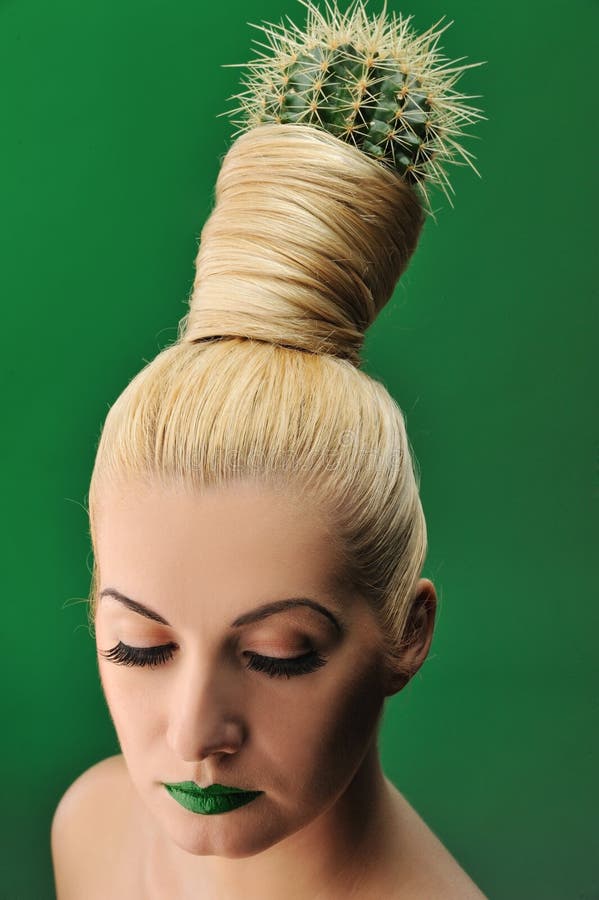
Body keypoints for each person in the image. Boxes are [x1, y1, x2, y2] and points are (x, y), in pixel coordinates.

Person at [51, 2, 487, 897]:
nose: (194, 735)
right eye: (138, 647)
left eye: (279, 654)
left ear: (408, 635)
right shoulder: (87, 824)